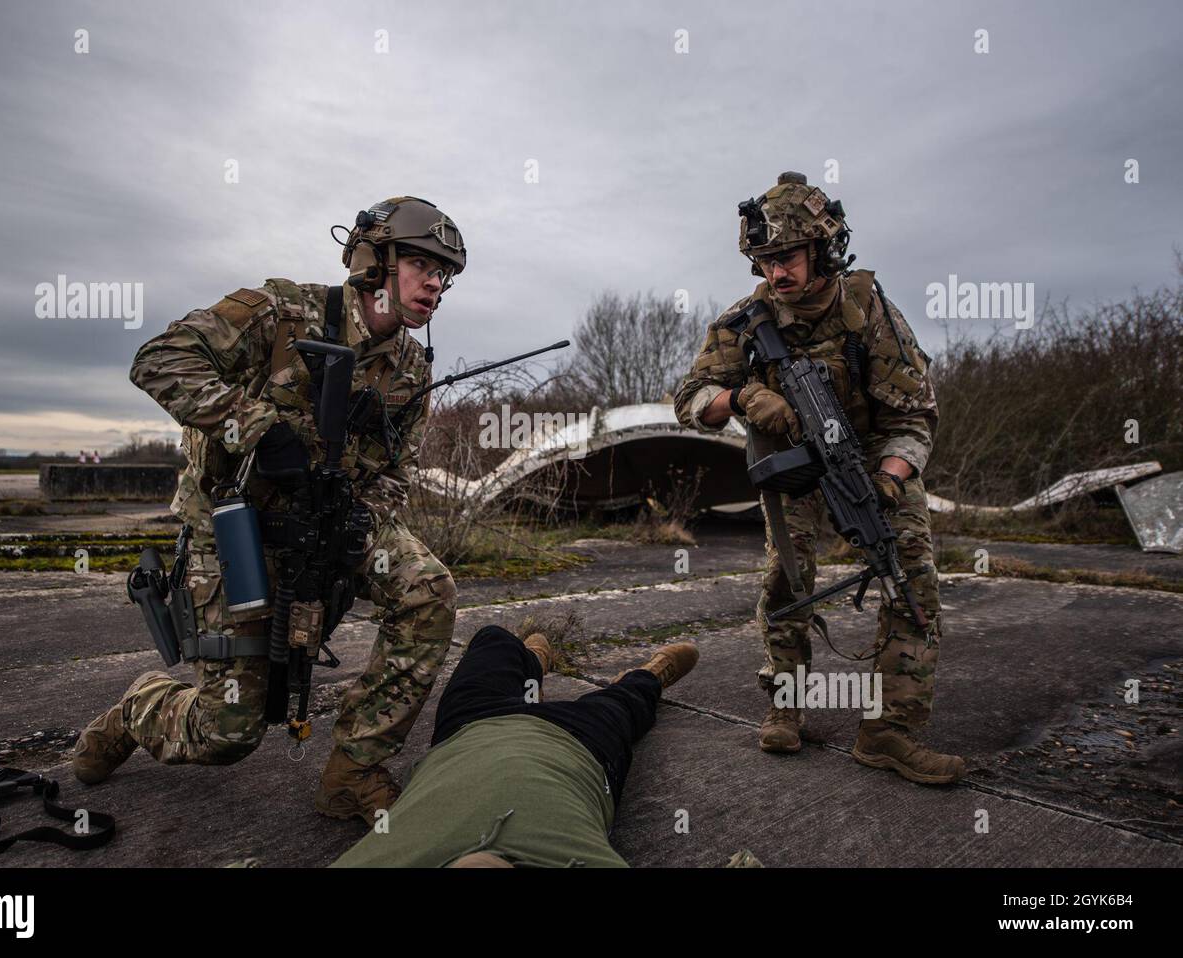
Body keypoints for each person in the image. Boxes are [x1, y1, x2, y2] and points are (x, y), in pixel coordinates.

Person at [73, 197, 468, 823]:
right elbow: (160, 359)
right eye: (422, 263)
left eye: (445, 273)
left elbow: (397, 472)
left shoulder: (411, 367)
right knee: (231, 731)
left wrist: (361, 517)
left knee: (427, 592)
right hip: (232, 524)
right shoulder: (284, 312)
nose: (435, 283)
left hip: (329, 521)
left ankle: (354, 771)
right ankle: (138, 709)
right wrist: (254, 428)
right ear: (375, 261)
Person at [674, 172, 964, 785]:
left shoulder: (867, 308)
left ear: (822, 250)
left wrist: (888, 481)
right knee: (788, 577)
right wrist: (745, 395)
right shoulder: (744, 323)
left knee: (909, 580)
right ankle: (787, 702)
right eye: (766, 260)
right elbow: (689, 399)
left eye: (789, 258)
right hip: (793, 465)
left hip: (873, 460)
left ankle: (889, 730)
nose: (777, 273)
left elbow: (914, 413)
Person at [330, 626, 699, 867]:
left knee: (492, 639)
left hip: (469, 729)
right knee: (627, 701)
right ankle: (648, 675)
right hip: (579, 744)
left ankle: (531, 666)